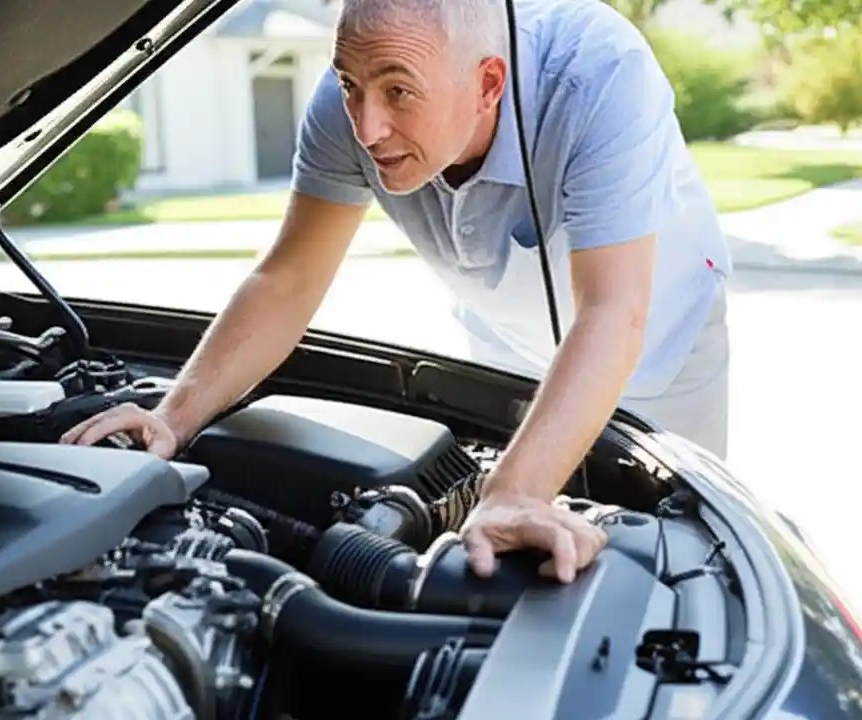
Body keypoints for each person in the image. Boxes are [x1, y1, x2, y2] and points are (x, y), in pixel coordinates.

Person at [61, 0, 731, 584]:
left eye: (398, 92)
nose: (367, 127)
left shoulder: (598, 73)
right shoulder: (348, 101)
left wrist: (517, 491)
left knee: (676, 550)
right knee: (511, 548)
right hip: (502, 334)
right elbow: (288, 279)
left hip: (657, 339)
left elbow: (615, 310)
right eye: (352, 84)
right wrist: (174, 418)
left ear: (489, 83)